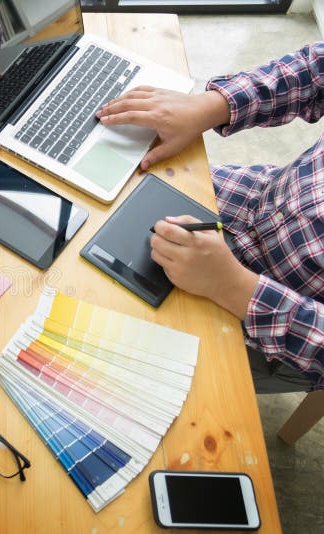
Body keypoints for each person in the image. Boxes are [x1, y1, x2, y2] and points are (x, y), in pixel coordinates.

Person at [96, 42, 324, 394]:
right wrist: (211, 106)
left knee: (109, 354)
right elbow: (315, 69)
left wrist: (230, 285)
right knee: (106, 190)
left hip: (273, 320)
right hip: (256, 199)